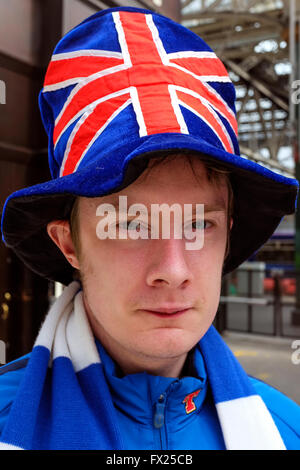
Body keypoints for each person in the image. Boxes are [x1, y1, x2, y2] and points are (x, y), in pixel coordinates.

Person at [0, 6, 299, 451]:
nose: (173, 270)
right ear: (69, 245)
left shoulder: (288, 429)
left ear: (227, 237)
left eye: (199, 224)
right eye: (130, 225)